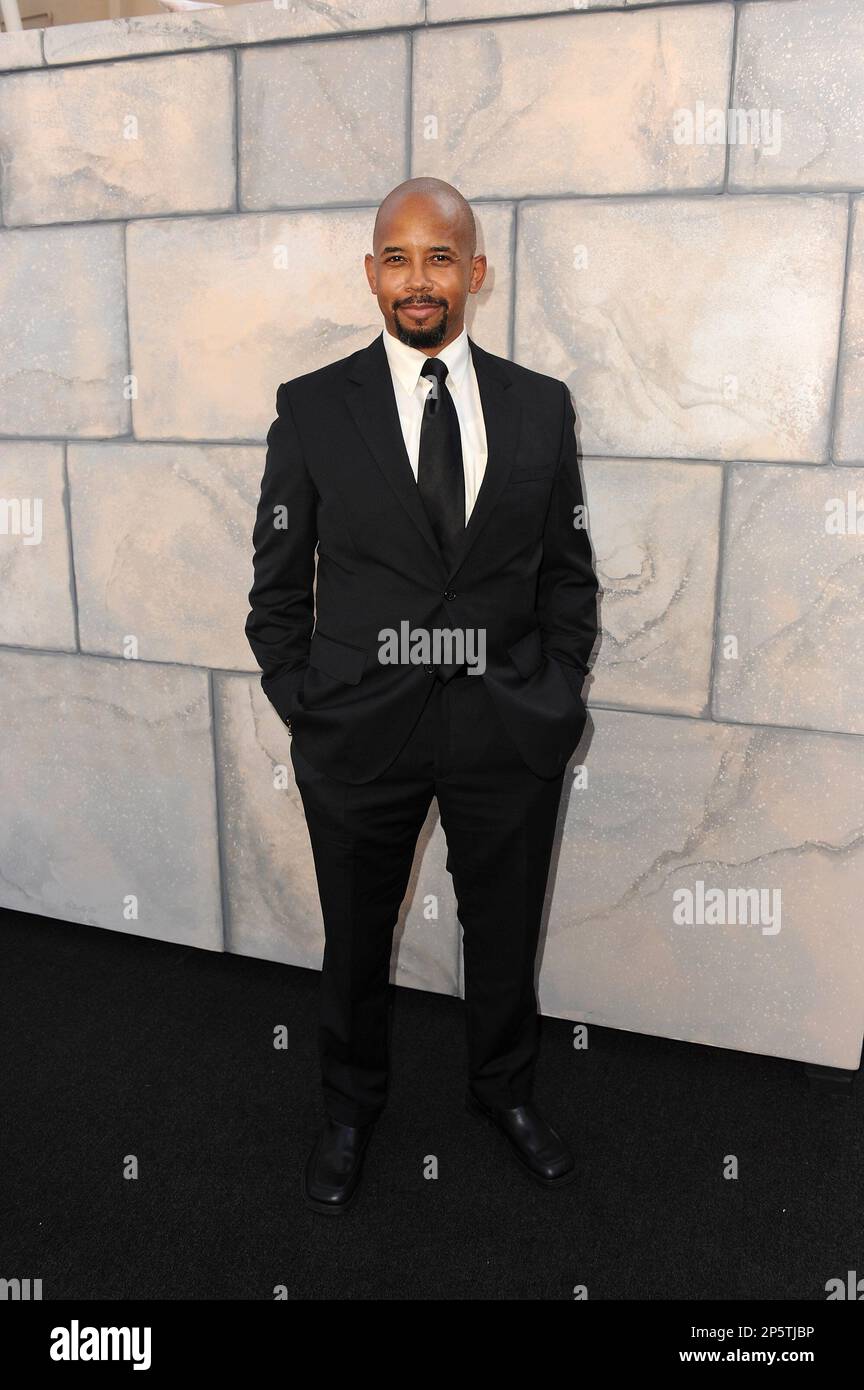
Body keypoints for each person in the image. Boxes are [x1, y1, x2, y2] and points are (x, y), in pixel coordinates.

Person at [245, 176, 599, 1215]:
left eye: (439, 257)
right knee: (356, 934)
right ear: (371, 274)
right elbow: (275, 593)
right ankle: (350, 1109)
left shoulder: (542, 407)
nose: (417, 278)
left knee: (505, 926)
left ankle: (505, 1091)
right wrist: (311, 704)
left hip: (507, 725)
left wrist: (557, 688)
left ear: (475, 273)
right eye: (397, 257)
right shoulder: (311, 409)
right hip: (361, 731)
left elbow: (568, 575)